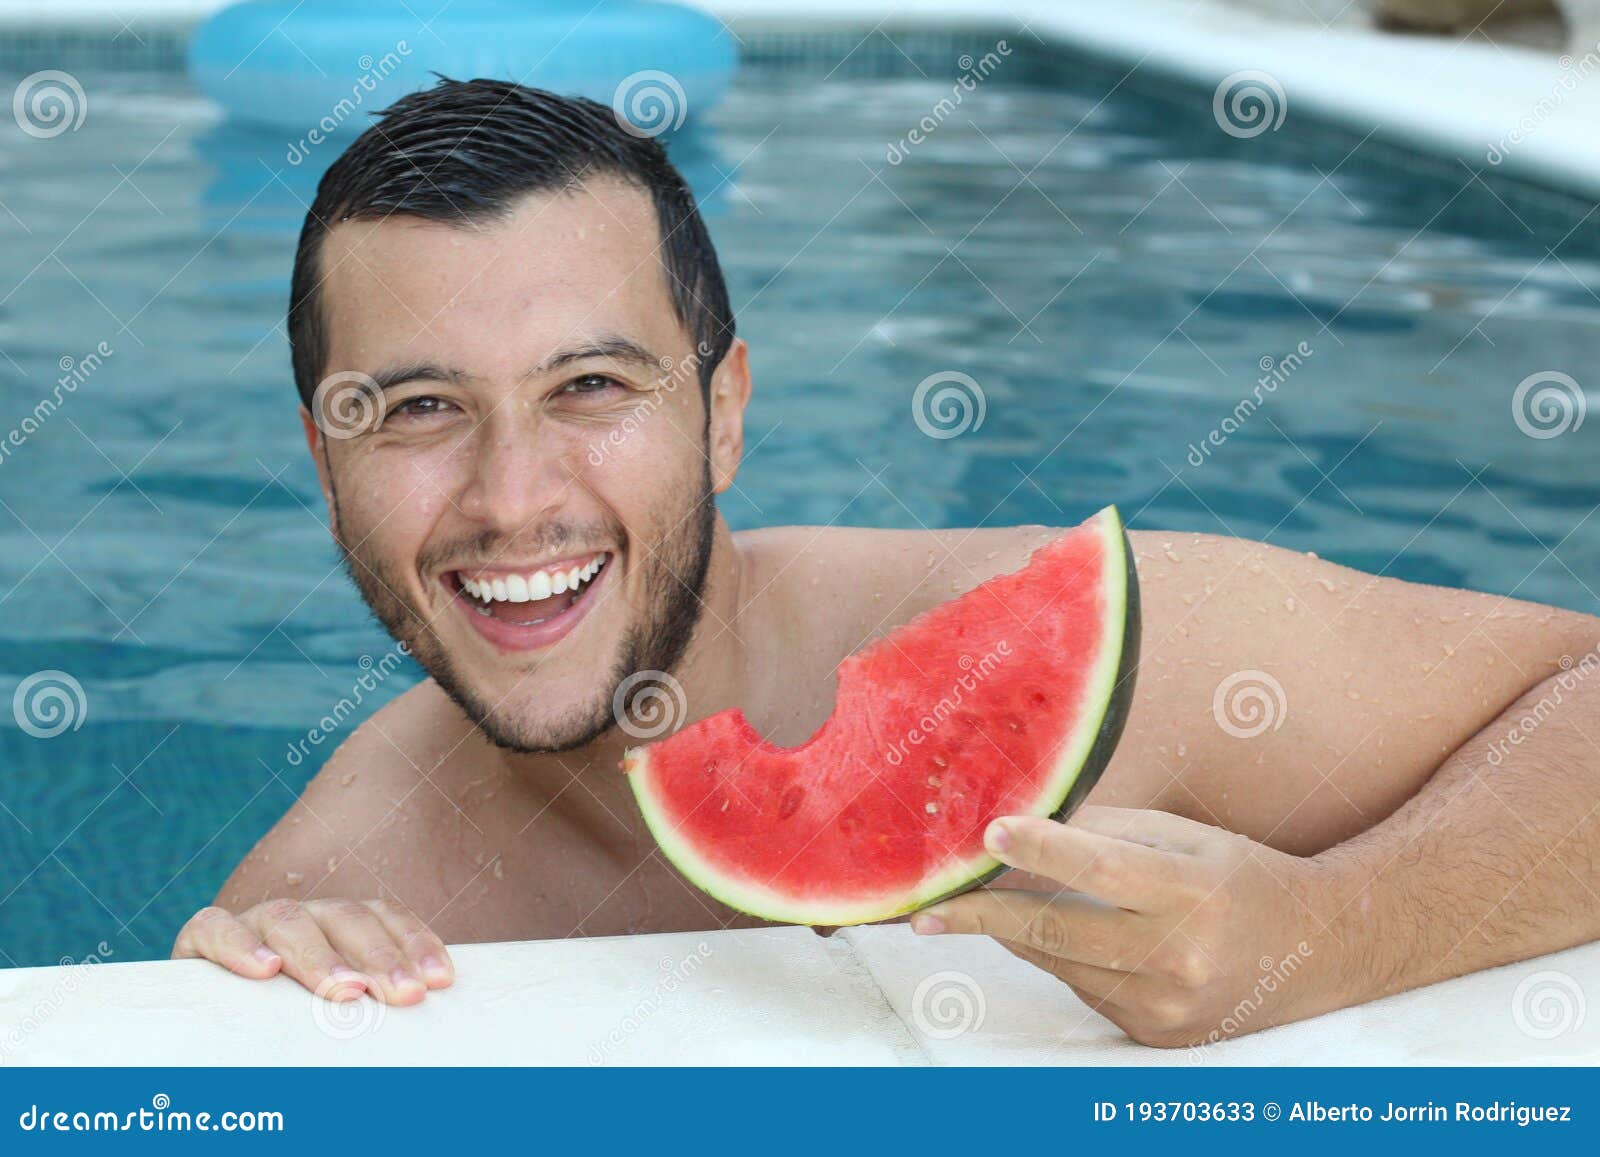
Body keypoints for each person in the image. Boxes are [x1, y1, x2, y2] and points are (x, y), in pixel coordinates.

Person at [173, 79, 1600, 1047]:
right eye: (419, 409)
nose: (512, 495)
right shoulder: (343, 888)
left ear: (725, 414)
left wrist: (1335, 930)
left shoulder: (1080, 651)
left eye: (592, 387)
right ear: (324, 459)